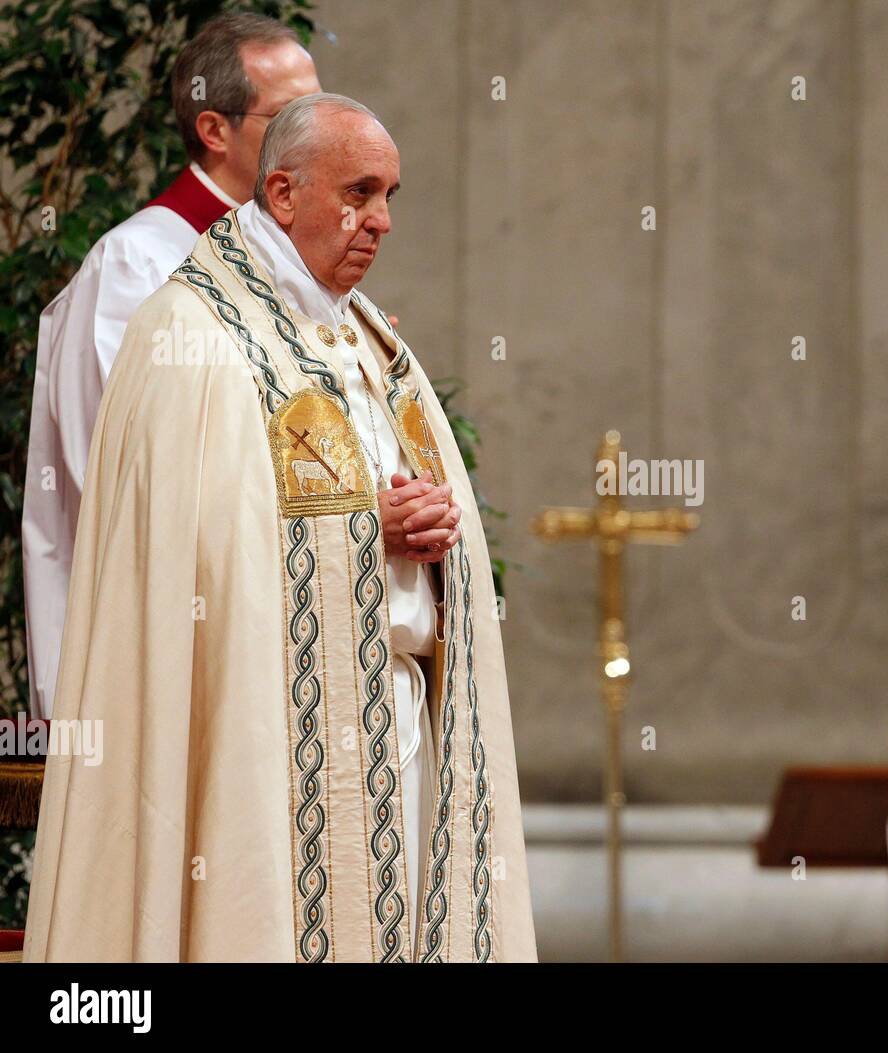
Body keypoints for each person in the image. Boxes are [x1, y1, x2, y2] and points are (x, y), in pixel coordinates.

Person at [22, 93, 536, 962]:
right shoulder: (191, 337)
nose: (379, 221)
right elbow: (197, 551)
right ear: (285, 193)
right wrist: (366, 533)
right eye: (359, 193)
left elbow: (383, 506)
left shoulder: (369, 343)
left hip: (396, 727)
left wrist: (430, 530)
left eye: (390, 197)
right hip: (263, 748)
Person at [22, 12, 321, 720]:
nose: (316, 133)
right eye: (291, 115)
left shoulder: (296, 268)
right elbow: (125, 474)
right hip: (151, 649)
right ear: (215, 130)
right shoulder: (138, 265)